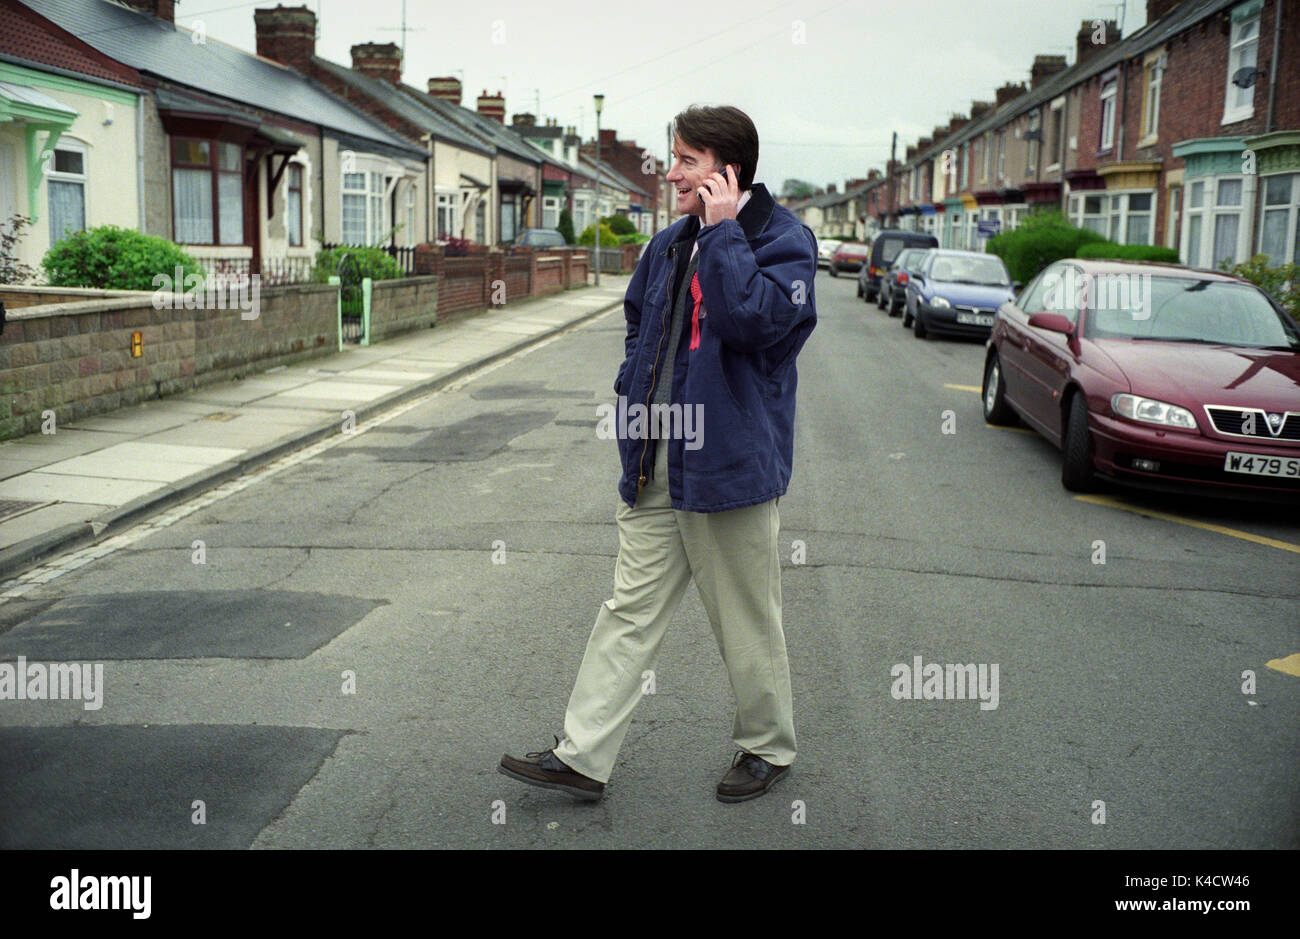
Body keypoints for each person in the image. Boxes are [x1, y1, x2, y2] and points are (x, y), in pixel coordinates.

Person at [499, 104, 817, 803]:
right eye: (672, 157)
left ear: (728, 171)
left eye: (686, 160)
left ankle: (767, 747)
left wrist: (725, 232)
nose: (670, 171)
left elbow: (752, 321)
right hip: (656, 458)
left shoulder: (783, 241)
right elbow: (639, 322)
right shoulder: (667, 243)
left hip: (730, 465)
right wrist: (630, 393)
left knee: (746, 616)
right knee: (627, 608)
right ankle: (583, 755)